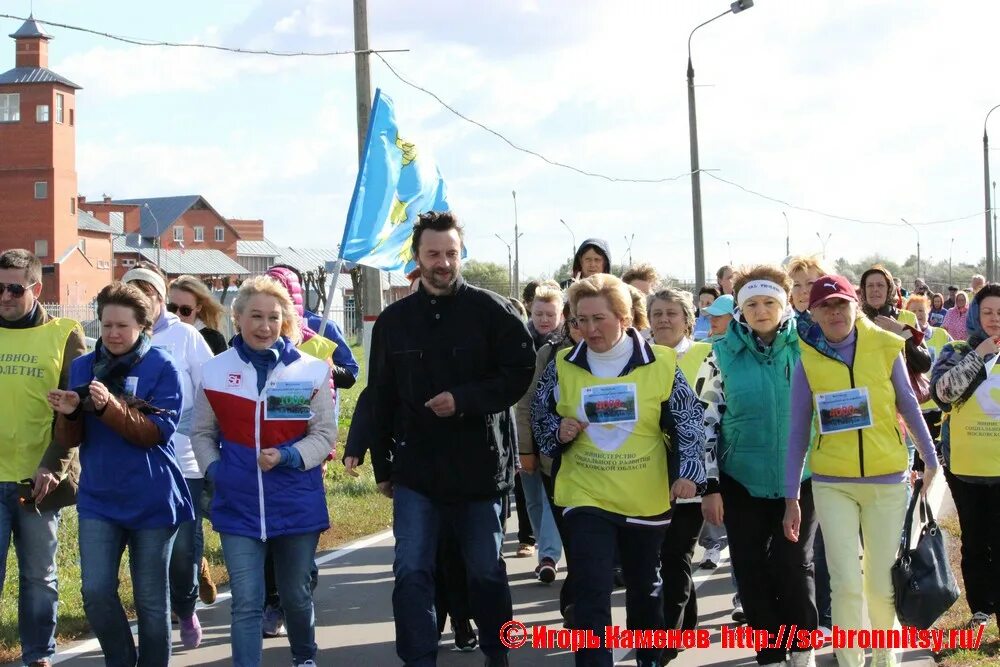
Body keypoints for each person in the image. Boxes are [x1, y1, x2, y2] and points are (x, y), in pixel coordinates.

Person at [346, 211, 535, 667]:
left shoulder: (494, 311)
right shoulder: (393, 322)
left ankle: (499, 656)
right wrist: (382, 466)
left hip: (478, 470)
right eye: (433, 254)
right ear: (416, 258)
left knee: (486, 573)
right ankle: (418, 659)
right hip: (417, 471)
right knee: (411, 570)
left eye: (451, 253)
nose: (444, 262)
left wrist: (465, 399)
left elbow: (518, 375)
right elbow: (380, 394)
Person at [534, 274, 705, 667]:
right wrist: (558, 432)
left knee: (645, 588)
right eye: (581, 320)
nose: (590, 329)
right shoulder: (563, 364)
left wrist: (688, 472)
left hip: (644, 496)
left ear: (624, 317)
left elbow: (688, 420)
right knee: (590, 588)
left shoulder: (660, 362)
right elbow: (540, 416)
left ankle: (648, 658)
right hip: (584, 492)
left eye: (600, 319)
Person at [784, 274, 939, 667]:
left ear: (855, 306)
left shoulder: (887, 346)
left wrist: (931, 460)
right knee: (845, 584)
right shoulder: (807, 358)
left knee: (881, 584)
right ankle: (850, 661)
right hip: (832, 484)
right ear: (813, 313)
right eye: (825, 306)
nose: (834, 313)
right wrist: (790, 497)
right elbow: (798, 429)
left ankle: (886, 660)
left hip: (887, 482)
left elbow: (908, 404)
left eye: (841, 304)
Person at [190, 275, 336, 667]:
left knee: (295, 594)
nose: (264, 326)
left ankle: (304, 656)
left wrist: (287, 457)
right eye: (255, 316)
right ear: (237, 318)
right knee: (247, 601)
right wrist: (217, 471)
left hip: (295, 503)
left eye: (273, 317)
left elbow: (324, 435)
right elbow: (202, 432)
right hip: (238, 505)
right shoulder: (216, 370)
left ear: (285, 321)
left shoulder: (310, 370)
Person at [48, 282, 194, 667]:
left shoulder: (163, 366)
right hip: (100, 498)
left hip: (152, 499)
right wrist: (69, 414)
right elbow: (72, 439)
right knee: (95, 592)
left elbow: (154, 433)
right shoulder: (83, 366)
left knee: (150, 600)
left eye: (122, 326)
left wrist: (109, 405)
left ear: (143, 328)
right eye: (106, 324)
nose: (113, 333)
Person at [699, 265, 816, 667]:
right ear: (740, 310)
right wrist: (710, 487)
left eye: (769, 302)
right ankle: (771, 652)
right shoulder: (719, 353)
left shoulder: (810, 347)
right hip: (740, 481)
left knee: (792, 566)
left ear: (784, 305)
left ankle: (801, 649)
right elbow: (706, 422)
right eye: (752, 303)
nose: (761, 310)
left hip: (798, 480)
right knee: (750, 571)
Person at [0, 249, 87, 667]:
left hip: (37, 482)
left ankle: (38, 654)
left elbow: (74, 412)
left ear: (36, 288)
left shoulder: (65, 334)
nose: (4, 296)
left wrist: (53, 465)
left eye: (14, 288)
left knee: (39, 577)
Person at [124, 265, 214, 648]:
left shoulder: (186, 336)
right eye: (135, 293)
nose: (145, 302)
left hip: (184, 459)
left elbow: (210, 388)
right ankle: (156, 622)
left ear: (161, 299)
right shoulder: (120, 338)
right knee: (147, 549)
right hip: (137, 461)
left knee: (181, 549)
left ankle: (185, 604)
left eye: (151, 294)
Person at [646, 288, 712, 663]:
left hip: (693, 473)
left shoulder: (705, 355)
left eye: (672, 313)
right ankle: (687, 628)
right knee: (669, 557)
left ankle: (664, 641)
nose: (664, 320)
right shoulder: (639, 358)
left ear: (688, 319)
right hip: (646, 473)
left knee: (674, 553)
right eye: (657, 313)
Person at [931, 283, 1000, 631]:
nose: (994, 319)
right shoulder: (956, 350)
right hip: (965, 469)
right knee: (975, 540)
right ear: (975, 314)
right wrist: (980, 356)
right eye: (987, 312)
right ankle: (981, 609)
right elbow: (942, 395)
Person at [905, 294, 952, 443]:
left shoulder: (941, 334)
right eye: (913, 311)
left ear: (928, 311)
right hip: (914, 404)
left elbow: (955, 358)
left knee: (938, 447)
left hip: (938, 403)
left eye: (921, 310)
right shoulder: (903, 337)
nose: (918, 314)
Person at [167, 275, 228, 355]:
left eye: (185, 310)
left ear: (198, 308)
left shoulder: (213, 340)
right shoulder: (158, 333)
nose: (177, 314)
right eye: (172, 308)